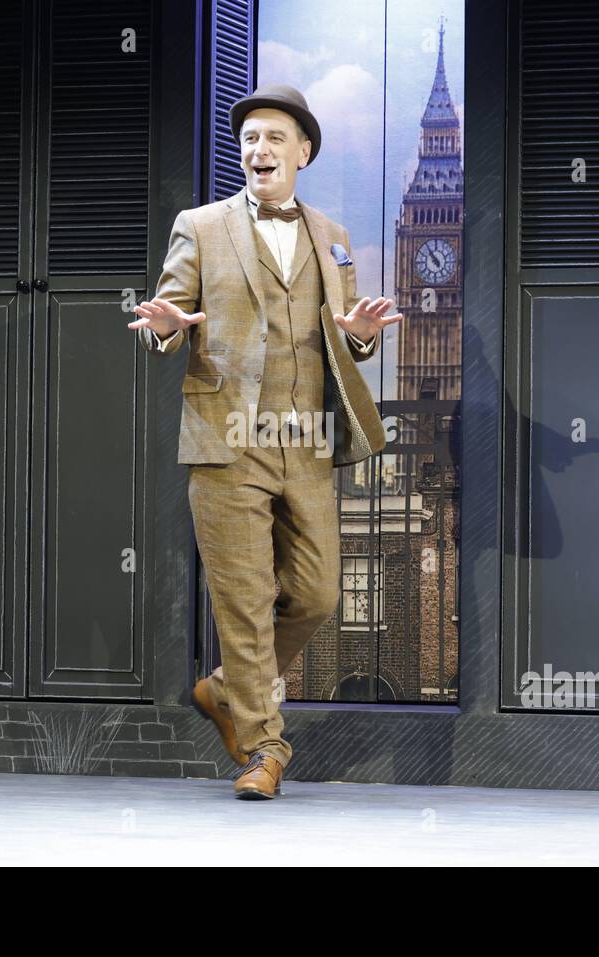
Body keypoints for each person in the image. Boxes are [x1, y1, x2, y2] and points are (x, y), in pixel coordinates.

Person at [128, 83, 400, 798]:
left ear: (303, 152)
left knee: (315, 593)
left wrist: (361, 338)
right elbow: (166, 315)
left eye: (275, 137)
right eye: (250, 138)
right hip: (226, 441)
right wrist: (164, 328)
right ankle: (263, 748)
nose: (260, 149)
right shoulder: (200, 225)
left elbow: (345, 330)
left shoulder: (333, 235)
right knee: (244, 603)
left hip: (305, 440)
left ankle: (226, 688)